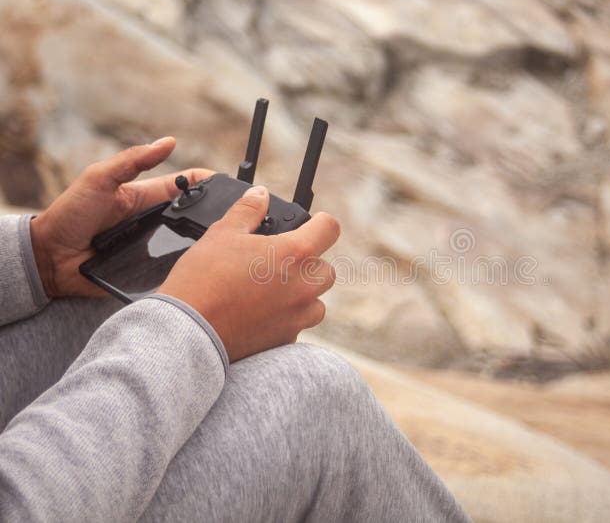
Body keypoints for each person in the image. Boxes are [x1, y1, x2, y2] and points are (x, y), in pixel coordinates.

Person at [0, 138, 469, 522]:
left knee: (103, 296)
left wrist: (34, 258)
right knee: (313, 396)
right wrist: (191, 326)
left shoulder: (42, 257)